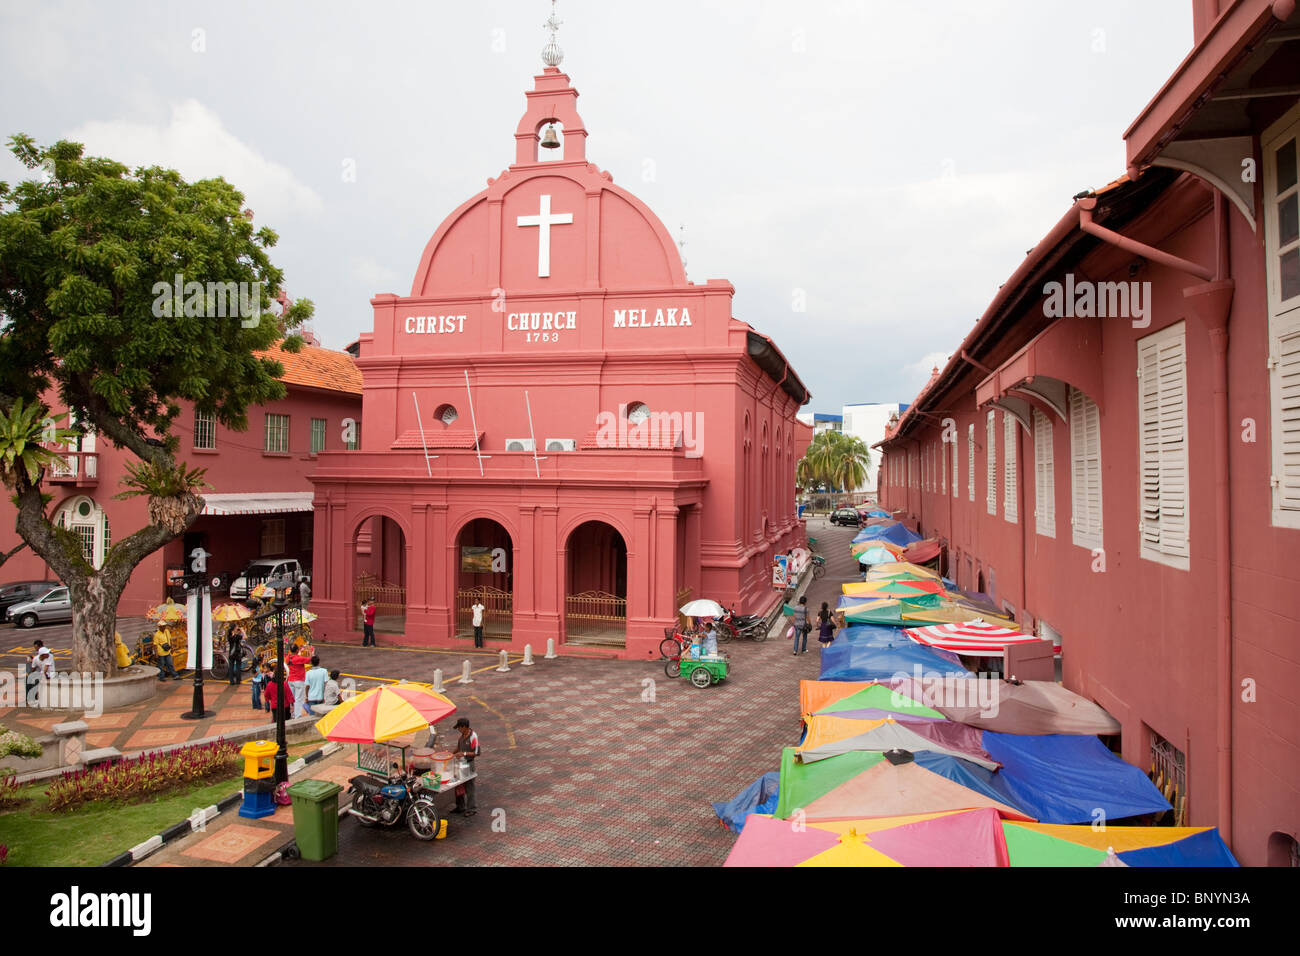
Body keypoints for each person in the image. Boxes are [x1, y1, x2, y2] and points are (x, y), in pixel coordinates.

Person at [451, 717, 481, 816]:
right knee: (458, 785)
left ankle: (472, 808)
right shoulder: (462, 736)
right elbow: (458, 747)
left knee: (469, 787)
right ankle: (460, 806)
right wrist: (451, 754)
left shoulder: (473, 737)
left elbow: (477, 753)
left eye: (459, 728)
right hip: (461, 764)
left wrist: (463, 754)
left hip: (469, 764)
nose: (458, 730)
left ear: (464, 727)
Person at [286, 646, 311, 718]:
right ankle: (297, 715)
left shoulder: (288, 658)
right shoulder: (298, 658)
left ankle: (293, 714)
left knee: (292, 699)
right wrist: (310, 652)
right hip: (299, 680)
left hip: (290, 680)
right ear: (297, 650)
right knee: (298, 699)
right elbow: (309, 659)